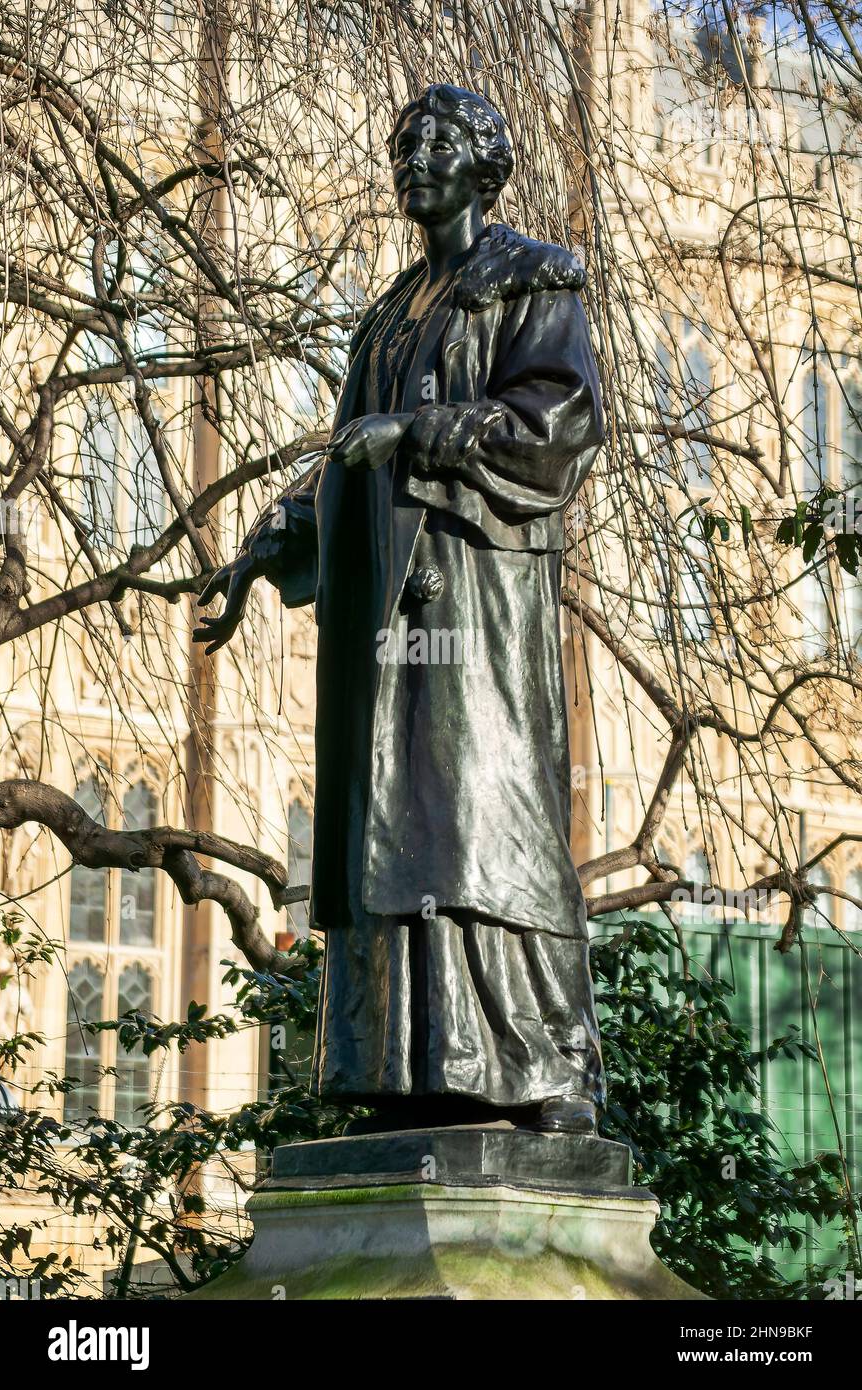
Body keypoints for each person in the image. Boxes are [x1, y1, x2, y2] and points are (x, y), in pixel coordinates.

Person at [194, 85, 606, 1133]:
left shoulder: (533, 280)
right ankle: (412, 1073)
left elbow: (557, 423)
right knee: (391, 831)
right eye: (402, 140)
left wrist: (424, 435)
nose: (412, 155)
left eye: (436, 140)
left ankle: (545, 1071)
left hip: (478, 610)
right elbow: (342, 457)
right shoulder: (388, 315)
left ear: (483, 162)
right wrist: (264, 550)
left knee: (482, 826)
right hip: (388, 628)